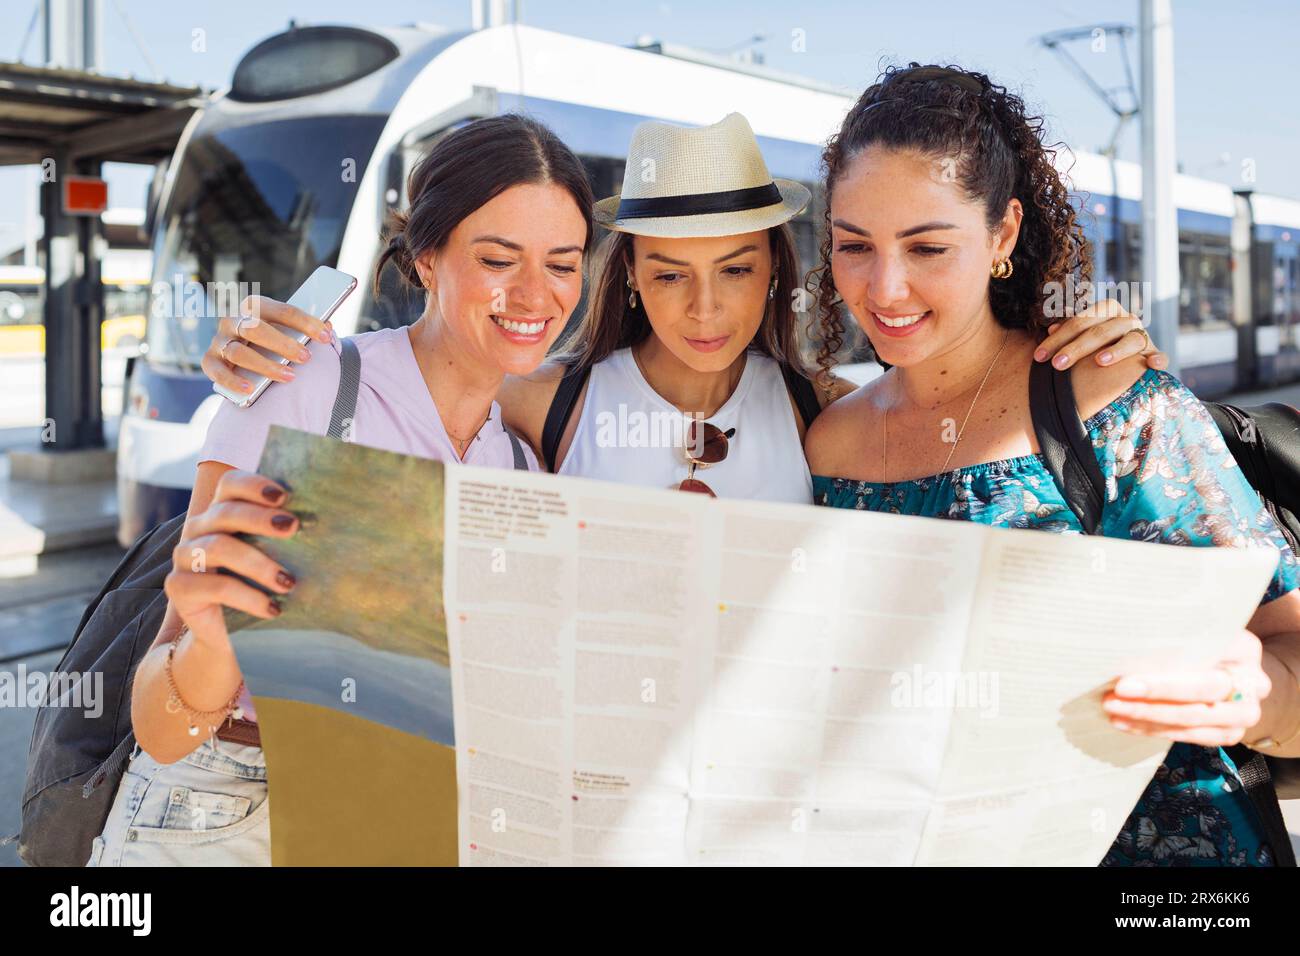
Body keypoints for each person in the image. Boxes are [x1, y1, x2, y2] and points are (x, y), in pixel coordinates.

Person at [805, 63, 1300, 866]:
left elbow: (1288, 647)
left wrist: (1254, 695)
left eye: (928, 246)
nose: (883, 286)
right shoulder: (828, 443)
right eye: (853, 245)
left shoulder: (1114, 405)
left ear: (1001, 235)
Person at [89, 114, 594, 866]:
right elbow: (161, 728)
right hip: (223, 803)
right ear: (427, 258)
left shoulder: (516, 470)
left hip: (386, 811)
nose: (535, 294)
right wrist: (219, 639)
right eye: (497, 258)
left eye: (564, 263)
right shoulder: (305, 381)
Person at [205, 114, 1165, 502]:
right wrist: (253, 353)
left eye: (737, 272)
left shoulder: (829, 411)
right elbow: (413, 385)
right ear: (628, 278)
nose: (704, 309)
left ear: (777, 272)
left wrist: (1106, 350)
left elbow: (960, 392)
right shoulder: (537, 403)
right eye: (668, 274)